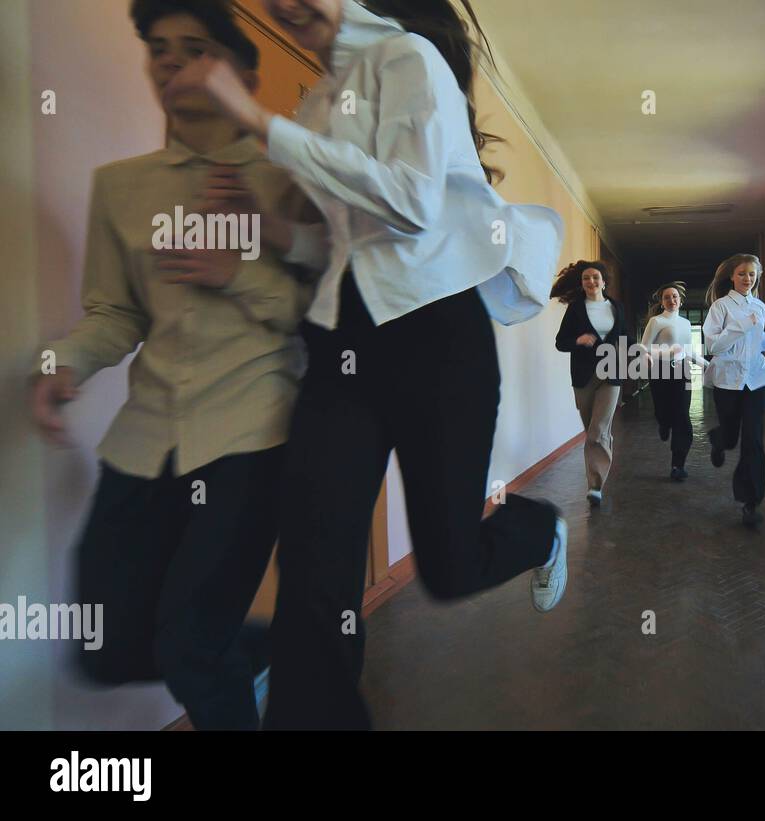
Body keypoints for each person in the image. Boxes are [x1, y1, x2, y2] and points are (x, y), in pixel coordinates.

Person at [165, 0, 569, 729]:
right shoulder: (320, 99)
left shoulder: (408, 58)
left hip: (439, 340)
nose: (284, 5)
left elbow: (413, 204)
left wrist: (260, 124)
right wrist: (268, 230)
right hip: (342, 344)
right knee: (316, 567)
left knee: (448, 568)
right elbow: (340, 249)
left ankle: (541, 531)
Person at [29, 0, 316, 730]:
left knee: (190, 643)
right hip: (144, 437)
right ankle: (272, 650)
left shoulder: (292, 177)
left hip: (251, 437)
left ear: (241, 73)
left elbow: (328, 317)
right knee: (103, 647)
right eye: (158, 49)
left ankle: (230, 660)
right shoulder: (121, 187)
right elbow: (115, 312)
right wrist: (63, 365)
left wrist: (240, 273)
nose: (170, 63)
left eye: (194, 49)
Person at [702, 254, 765, 527]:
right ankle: (719, 439)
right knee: (730, 437)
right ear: (732, 276)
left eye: (752, 274)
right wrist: (741, 325)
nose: (747, 279)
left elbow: (753, 342)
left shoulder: (760, 307)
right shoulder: (720, 307)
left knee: (754, 439)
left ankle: (751, 501)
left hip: (757, 379)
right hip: (727, 380)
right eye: (742, 273)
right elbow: (714, 347)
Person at [552, 260, 632, 503]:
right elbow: (560, 342)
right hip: (584, 375)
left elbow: (625, 338)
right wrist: (578, 340)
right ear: (582, 283)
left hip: (611, 372)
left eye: (595, 277)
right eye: (586, 278)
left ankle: (595, 486)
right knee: (592, 429)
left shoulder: (616, 307)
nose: (591, 281)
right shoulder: (576, 309)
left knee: (597, 431)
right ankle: (603, 445)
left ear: (603, 281)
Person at [639, 281, 707, 481]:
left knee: (683, 417)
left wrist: (706, 364)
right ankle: (663, 423)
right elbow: (644, 347)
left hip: (681, 371)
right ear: (661, 302)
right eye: (667, 297)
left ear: (680, 299)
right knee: (663, 412)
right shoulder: (656, 322)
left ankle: (678, 465)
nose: (671, 300)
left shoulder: (685, 323)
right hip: (659, 371)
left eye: (675, 296)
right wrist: (648, 356)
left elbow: (688, 350)